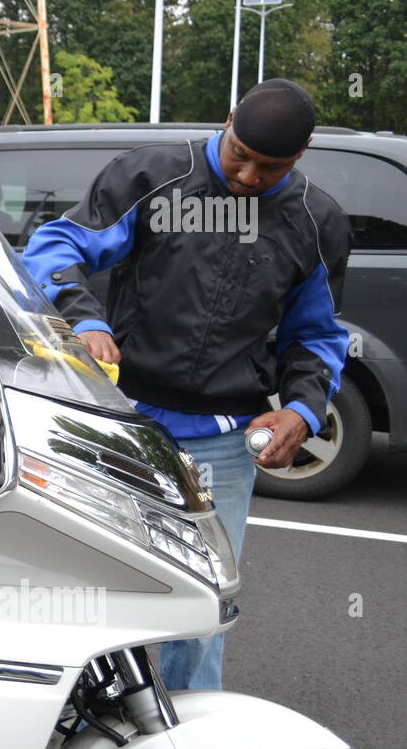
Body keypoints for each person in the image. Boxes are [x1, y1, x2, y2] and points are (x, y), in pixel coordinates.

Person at [22, 79, 353, 691]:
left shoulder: (316, 222)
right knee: (87, 590)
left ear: (301, 156)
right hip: (117, 426)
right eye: (240, 154)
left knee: (197, 609)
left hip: (222, 448)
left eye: (270, 166)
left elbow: (317, 334)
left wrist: (305, 409)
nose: (249, 176)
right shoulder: (153, 177)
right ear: (227, 122)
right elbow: (54, 246)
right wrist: (84, 319)